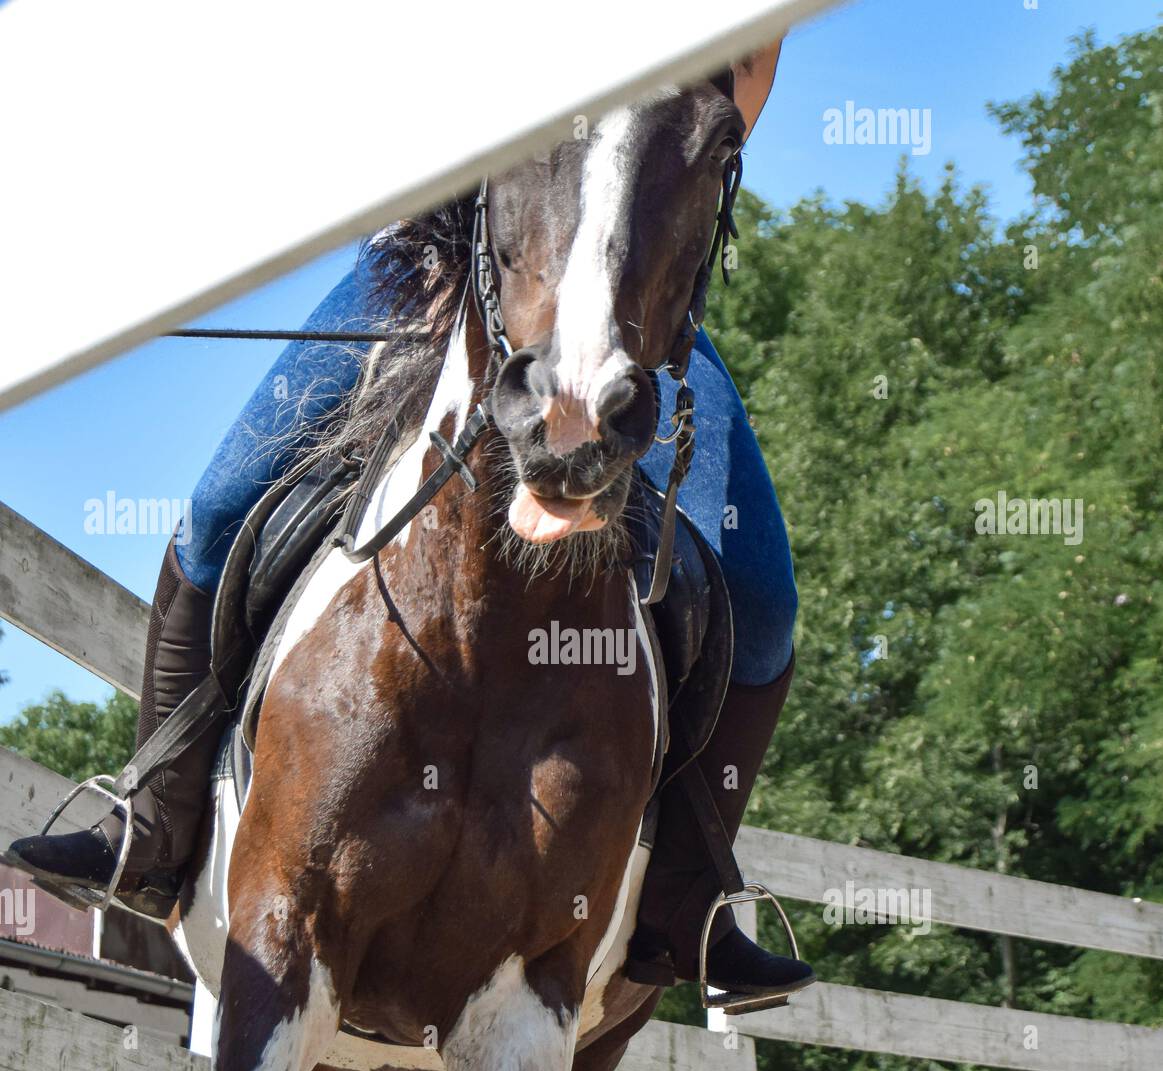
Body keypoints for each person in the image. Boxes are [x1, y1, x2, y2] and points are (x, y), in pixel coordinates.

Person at [9, 40, 815, 1004]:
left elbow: (745, 84)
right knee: (222, 504)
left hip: (632, 306)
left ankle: (690, 902)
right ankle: (150, 816)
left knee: (762, 601)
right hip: (439, 262)